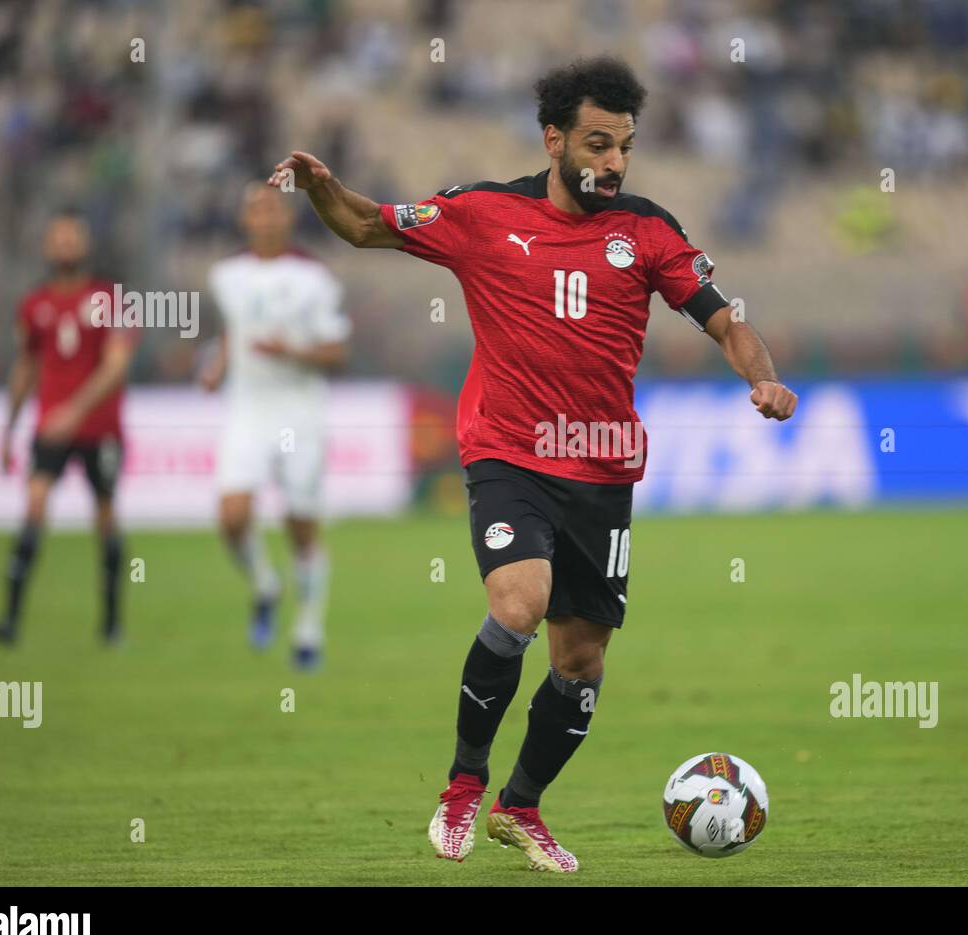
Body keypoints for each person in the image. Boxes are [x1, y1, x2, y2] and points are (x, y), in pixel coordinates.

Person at [268, 56, 797, 871]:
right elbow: (369, 224)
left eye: (624, 146)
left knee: (581, 661)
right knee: (520, 601)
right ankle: (461, 786)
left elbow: (726, 322)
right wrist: (320, 190)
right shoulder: (482, 214)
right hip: (509, 451)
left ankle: (521, 807)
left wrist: (762, 378)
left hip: (604, 470)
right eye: (597, 144)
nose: (614, 163)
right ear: (554, 139)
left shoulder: (648, 232)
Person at [200, 184, 351, 671]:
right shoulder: (226, 275)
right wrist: (219, 364)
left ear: (287, 217)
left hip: (299, 413)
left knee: (300, 527)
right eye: (255, 211)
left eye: (272, 209)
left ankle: (308, 629)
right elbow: (234, 327)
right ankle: (266, 583)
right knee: (231, 517)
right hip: (247, 410)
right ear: (245, 220)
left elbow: (336, 351)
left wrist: (292, 352)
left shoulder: (313, 278)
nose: (264, 219)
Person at [0, 211, 135, 646]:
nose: (65, 246)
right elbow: (25, 366)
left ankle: (111, 625)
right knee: (33, 508)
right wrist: (9, 430)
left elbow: (116, 367)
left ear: (85, 245)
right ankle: (10, 621)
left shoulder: (111, 299)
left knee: (105, 518)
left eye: (73, 238)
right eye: (58, 238)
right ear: (47, 246)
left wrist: (76, 409)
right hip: (51, 426)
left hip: (100, 427)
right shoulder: (33, 305)